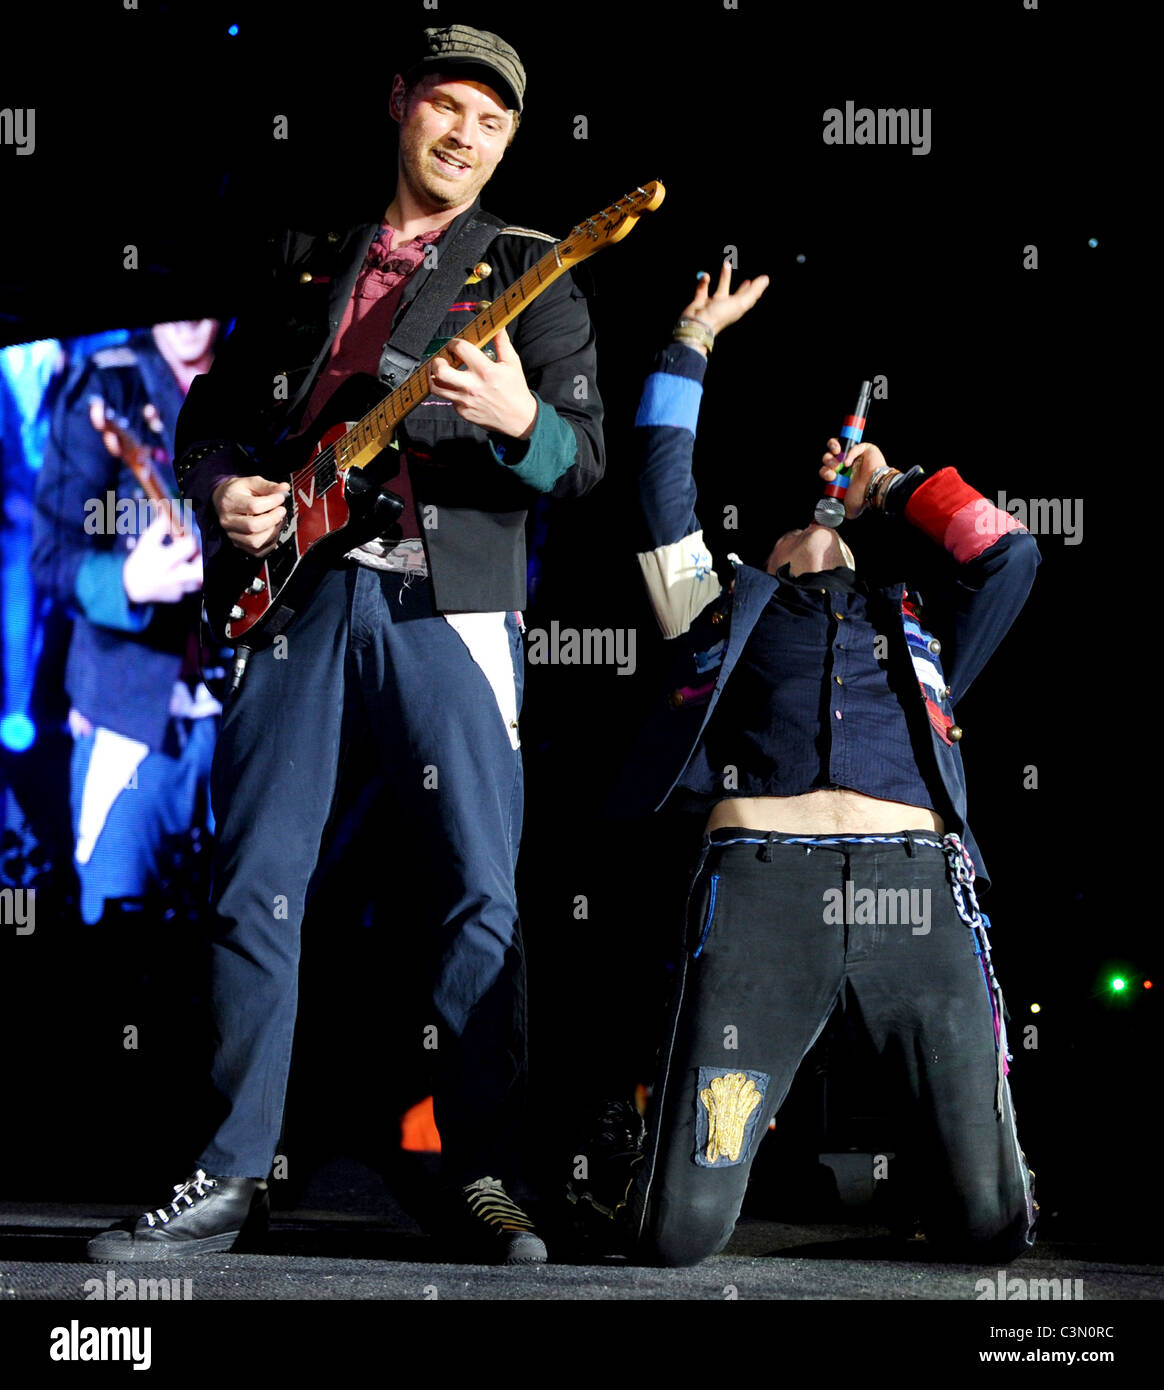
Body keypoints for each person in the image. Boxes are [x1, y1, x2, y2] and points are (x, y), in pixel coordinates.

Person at [86, 25, 603, 1266]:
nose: (467, 135)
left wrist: (519, 417)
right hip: (300, 599)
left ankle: (481, 1173)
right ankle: (227, 1171)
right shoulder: (305, 258)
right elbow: (212, 422)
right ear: (400, 103)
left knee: (476, 889)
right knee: (251, 879)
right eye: (449, 106)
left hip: (452, 601)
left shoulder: (534, 269)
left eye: (493, 122)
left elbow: (583, 462)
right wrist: (224, 492)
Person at [572, 264, 1038, 1267]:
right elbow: (659, 489)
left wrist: (890, 486)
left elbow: (1011, 555)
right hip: (762, 897)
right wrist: (690, 342)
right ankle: (631, 1163)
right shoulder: (722, 612)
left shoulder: (916, 628)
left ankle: (940, 1170)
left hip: (916, 898)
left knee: (992, 1229)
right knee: (675, 1236)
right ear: (769, 556)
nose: (810, 529)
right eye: (792, 529)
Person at [32, 320, 220, 927]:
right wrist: (127, 585)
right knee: (115, 927)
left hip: (248, 714)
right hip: (130, 718)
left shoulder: (262, 378)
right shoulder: (106, 385)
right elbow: (51, 559)